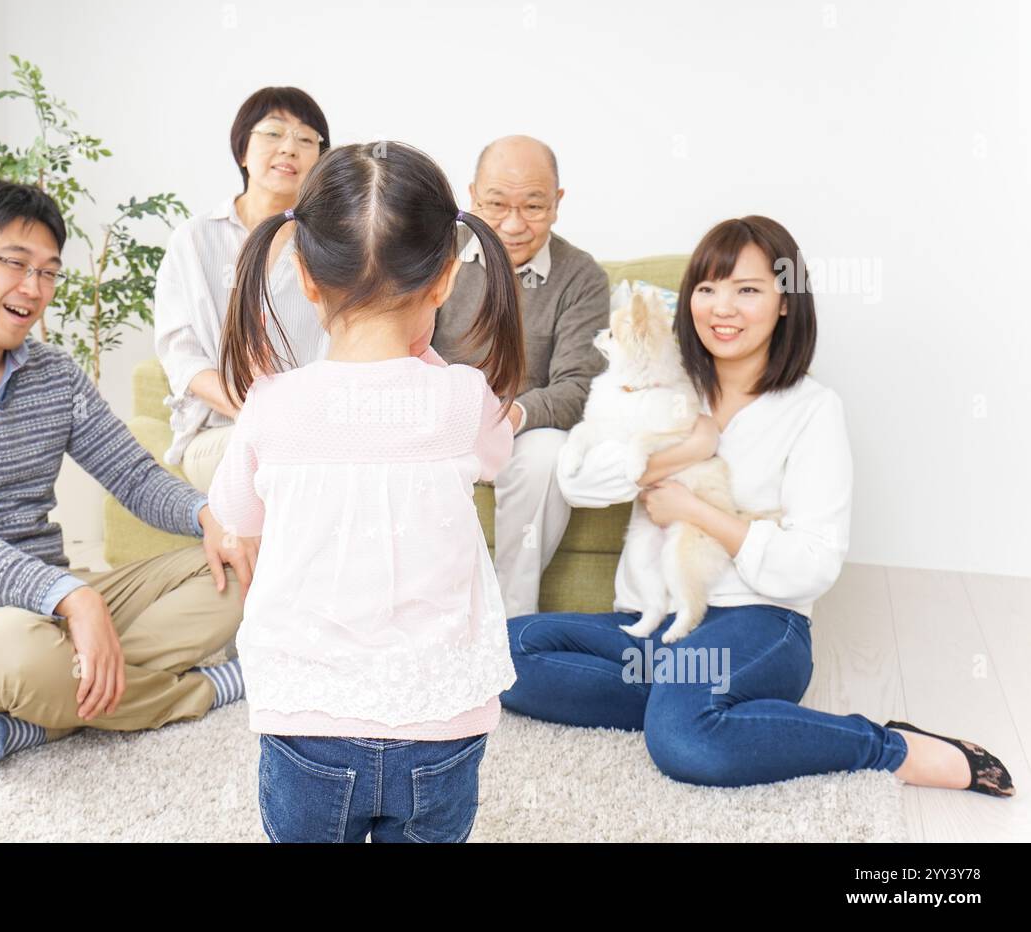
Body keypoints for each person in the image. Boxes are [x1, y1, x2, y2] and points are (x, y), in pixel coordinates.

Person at [500, 215, 1015, 799]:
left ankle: (892, 746)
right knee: (506, 652)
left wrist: (696, 511)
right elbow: (578, 480)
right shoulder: (667, 388)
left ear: (786, 302)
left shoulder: (813, 409)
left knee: (683, 740)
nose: (723, 307)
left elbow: (813, 563)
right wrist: (686, 449)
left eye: (748, 290)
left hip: (757, 621)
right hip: (655, 624)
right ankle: (689, 695)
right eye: (708, 288)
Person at [0, 178, 258, 774]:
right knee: (28, 657)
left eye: (48, 271)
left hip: (53, 596)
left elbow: (134, 476)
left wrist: (208, 517)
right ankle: (207, 689)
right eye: (15, 264)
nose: (34, 289)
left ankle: (40, 718)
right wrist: (73, 599)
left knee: (237, 569)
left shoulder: (53, 374)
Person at [206, 142, 528, 842]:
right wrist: (433, 365)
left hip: (307, 724)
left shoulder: (272, 403)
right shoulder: (461, 397)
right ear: (445, 279)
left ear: (306, 279)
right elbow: (497, 452)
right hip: (440, 725)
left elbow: (233, 516)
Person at [432, 135, 609, 619]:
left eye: (533, 206)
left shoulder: (582, 277)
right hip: (438, 419)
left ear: (558, 203)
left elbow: (578, 387)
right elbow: (406, 345)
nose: (513, 225)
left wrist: (509, 417)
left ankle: (510, 622)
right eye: (496, 205)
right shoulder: (436, 254)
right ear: (471, 196)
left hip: (520, 430)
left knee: (547, 455)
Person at [153, 86, 331, 492]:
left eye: (306, 140)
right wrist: (259, 416)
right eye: (273, 133)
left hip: (310, 432)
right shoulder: (195, 240)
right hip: (220, 434)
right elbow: (180, 355)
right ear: (242, 152)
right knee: (284, 453)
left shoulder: (331, 249)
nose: (289, 148)